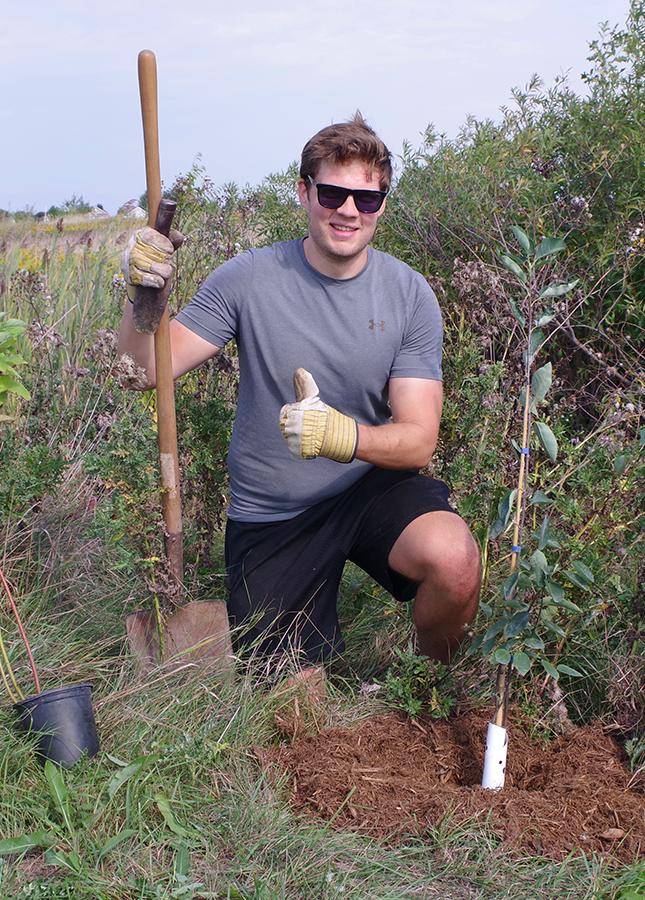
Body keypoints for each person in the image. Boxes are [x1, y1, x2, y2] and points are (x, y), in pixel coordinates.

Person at [115, 113, 479, 674]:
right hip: (274, 512)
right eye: (333, 193)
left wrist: (339, 437)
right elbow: (140, 372)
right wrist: (143, 294)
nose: (349, 210)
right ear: (305, 192)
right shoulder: (248, 278)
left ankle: (428, 690)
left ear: (382, 204)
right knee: (289, 698)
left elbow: (418, 441)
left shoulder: (408, 294)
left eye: (367, 198)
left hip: (367, 487)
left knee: (454, 560)